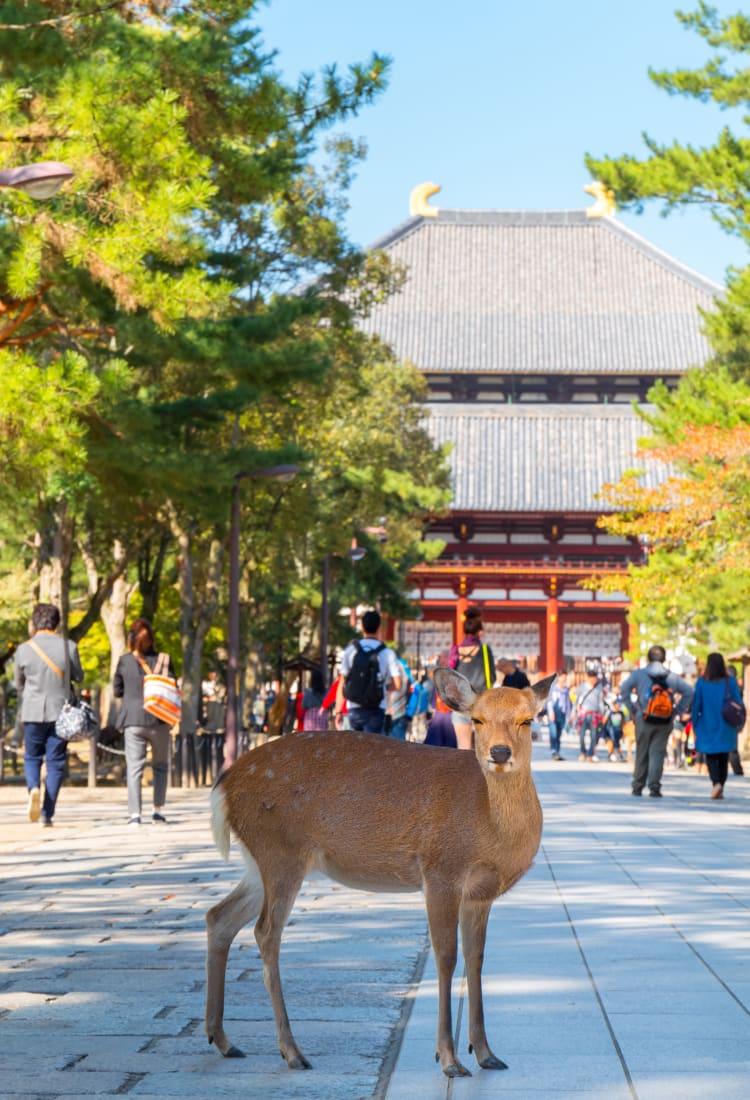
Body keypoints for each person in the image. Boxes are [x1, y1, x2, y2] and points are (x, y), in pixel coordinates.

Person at [14, 603, 83, 826]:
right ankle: (47, 813)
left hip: (32, 711)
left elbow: (18, 684)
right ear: (57, 622)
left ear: (35, 622)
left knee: (32, 757)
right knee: (56, 763)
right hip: (61, 712)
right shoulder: (68, 647)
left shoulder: (24, 649)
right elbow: (79, 676)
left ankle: (33, 787)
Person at [113, 617, 176, 826]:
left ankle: (135, 815)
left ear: (131, 639)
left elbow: (117, 690)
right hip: (159, 719)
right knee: (160, 766)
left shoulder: (124, 661)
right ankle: (157, 811)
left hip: (133, 720)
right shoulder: (164, 660)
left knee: (134, 768)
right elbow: (173, 687)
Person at [619, 645, 693, 798]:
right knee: (658, 753)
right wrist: (676, 711)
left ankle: (638, 785)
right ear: (664, 659)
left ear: (648, 658)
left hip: (643, 718)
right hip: (665, 719)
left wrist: (633, 710)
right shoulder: (672, 677)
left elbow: (624, 689)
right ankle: (654, 786)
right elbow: (689, 692)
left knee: (642, 751)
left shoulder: (639, 675)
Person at [335, 610, 402, 734]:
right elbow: (398, 684)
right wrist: (384, 688)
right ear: (379, 627)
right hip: (376, 708)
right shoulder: (387, 653)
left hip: (354, 708)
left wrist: (338, 710)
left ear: (362, 627)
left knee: (355, 748)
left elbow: (342, 683)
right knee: (373, 749)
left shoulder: (350, 651)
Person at [691, 652, 744, 800]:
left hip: (707, 724)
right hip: (726, 724)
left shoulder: (702, 683)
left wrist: (694, 723)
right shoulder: (730, 682)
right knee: (723, 756)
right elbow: (738, 702)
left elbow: (696, 705)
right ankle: (720, 784)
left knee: (711, 756)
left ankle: (716, 783)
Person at [448, 607, 495, 750]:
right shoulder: (485, 650)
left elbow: (450, 675)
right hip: (481, 704)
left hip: (461, 703)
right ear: (479, 632)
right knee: (481, 748)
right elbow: (492, 677)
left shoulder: (455, 650)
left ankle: (463, 773)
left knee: (463, 748)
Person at [572, 669, 607, 762]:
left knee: (594, 735)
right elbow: (575, 701)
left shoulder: (599, 687)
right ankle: (582, 752)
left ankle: (590, 753)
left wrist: (602, 714)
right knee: (582, 735)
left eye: (594, 678)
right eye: (591, 678)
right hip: (583, 714)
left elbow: (600, 702)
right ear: (587, 678)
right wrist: (573, 713)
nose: (593, 680)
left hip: (595, 714)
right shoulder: (581, 687)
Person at [546, 670, 571, 760]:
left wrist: (568, 715)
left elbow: (567, 703)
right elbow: (549, 701)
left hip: (562, 713)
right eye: (563, 676)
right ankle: (554, 751)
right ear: (559, 677)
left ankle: (557, 751)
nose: (564, 679)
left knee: (559, 733)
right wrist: (551, 712)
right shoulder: (553, 688)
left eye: (565, 677)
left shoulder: (566, 689)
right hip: (553, 713)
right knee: (554, 733)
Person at [387, 656, 413, 740]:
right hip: (402, 709)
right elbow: (410, 686)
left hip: (390, 712)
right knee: (398, 745)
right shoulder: (403, 664)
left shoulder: (390, 665)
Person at [727, 665, 745, 776]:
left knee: (729, 747)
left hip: (725, 718)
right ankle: (737, 769)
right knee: (732, 746)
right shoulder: (737, 687)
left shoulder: (725, 685)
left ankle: (737, 769)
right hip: (734, 718)